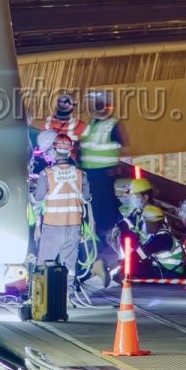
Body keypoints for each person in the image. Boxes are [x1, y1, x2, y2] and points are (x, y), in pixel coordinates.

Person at [79, 90, 129, 268]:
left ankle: (109, 249)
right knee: (92, 212)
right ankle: (97, 248)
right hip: (90, 176)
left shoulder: (114, 124)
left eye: (101, 104)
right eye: (96, 104)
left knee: (106, 213)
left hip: (106, 175)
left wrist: (117, 166)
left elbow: (126, 146)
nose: (98, 107)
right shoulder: (90, 124)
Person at [32, 133, 91, 283]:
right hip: (74, 226)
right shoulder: (80, 174)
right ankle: (68, 294)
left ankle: (41, 294)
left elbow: (38, 198)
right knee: (69, 264)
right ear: (69, 151)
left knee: (45, 262)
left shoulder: (46, 174)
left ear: (54, 150)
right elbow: (86, 198)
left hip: (53, 226)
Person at [132, 206, 186, 280]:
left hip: (171, 274)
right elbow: (142, 251)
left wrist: (122, 263)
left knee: (134, 268)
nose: (145, 225)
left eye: (146, 222)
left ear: (153, 222)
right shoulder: (160, 236)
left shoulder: (162, 238)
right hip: (169, 271)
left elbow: (140, 254)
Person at [36, 93, 87, 159]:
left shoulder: (79, 125)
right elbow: (41, 141)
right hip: (48, 159)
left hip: (67, 161)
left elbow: (88, 144)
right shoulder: (49, 120)